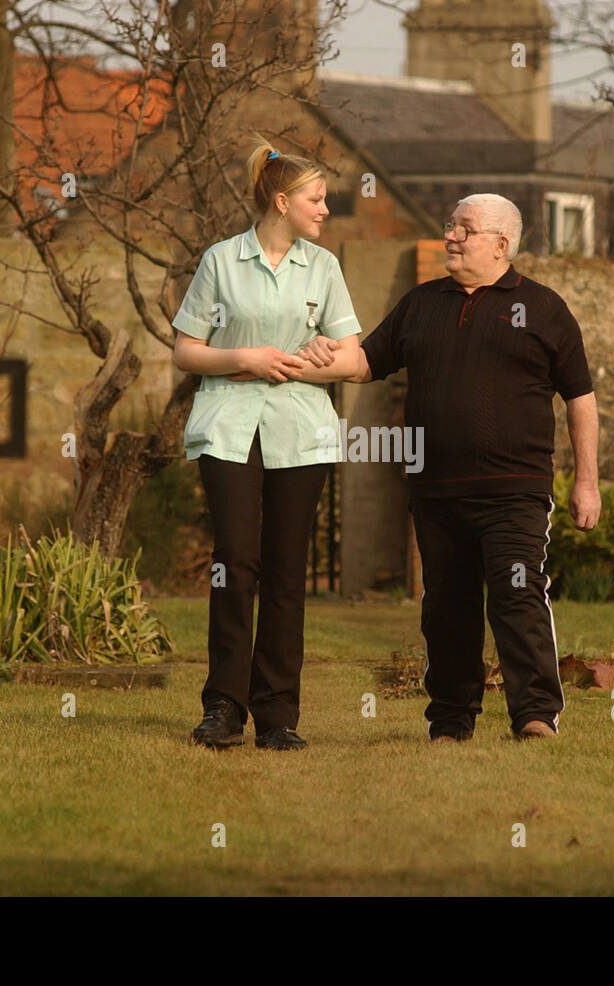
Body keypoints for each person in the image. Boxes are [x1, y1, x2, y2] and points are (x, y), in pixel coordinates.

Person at [300, 193, 601, 742]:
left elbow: (580, 397)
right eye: (450, 226)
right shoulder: (422, 303)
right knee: (447, 607)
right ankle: (450, 719)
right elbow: (366, 363)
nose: (452, 237)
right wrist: (319, 355)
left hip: (514, 491)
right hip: (435, 491)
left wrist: (587, 482)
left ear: (502, 244)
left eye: (466, 229)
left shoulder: (543, 307)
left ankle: (535, 714)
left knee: (517, 595)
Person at [171, 142, 363, 751]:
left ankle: (278, 715)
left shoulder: (324, 269)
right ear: (282, 202)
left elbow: (355, 359)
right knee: (236, 561)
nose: (325, 209)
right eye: (316, 199)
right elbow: (185, 349)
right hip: (228, 425)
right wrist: (243, 358)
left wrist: (313, 364)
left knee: (285, 569)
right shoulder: (221, 262)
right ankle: (223, 706)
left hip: (301, 431)